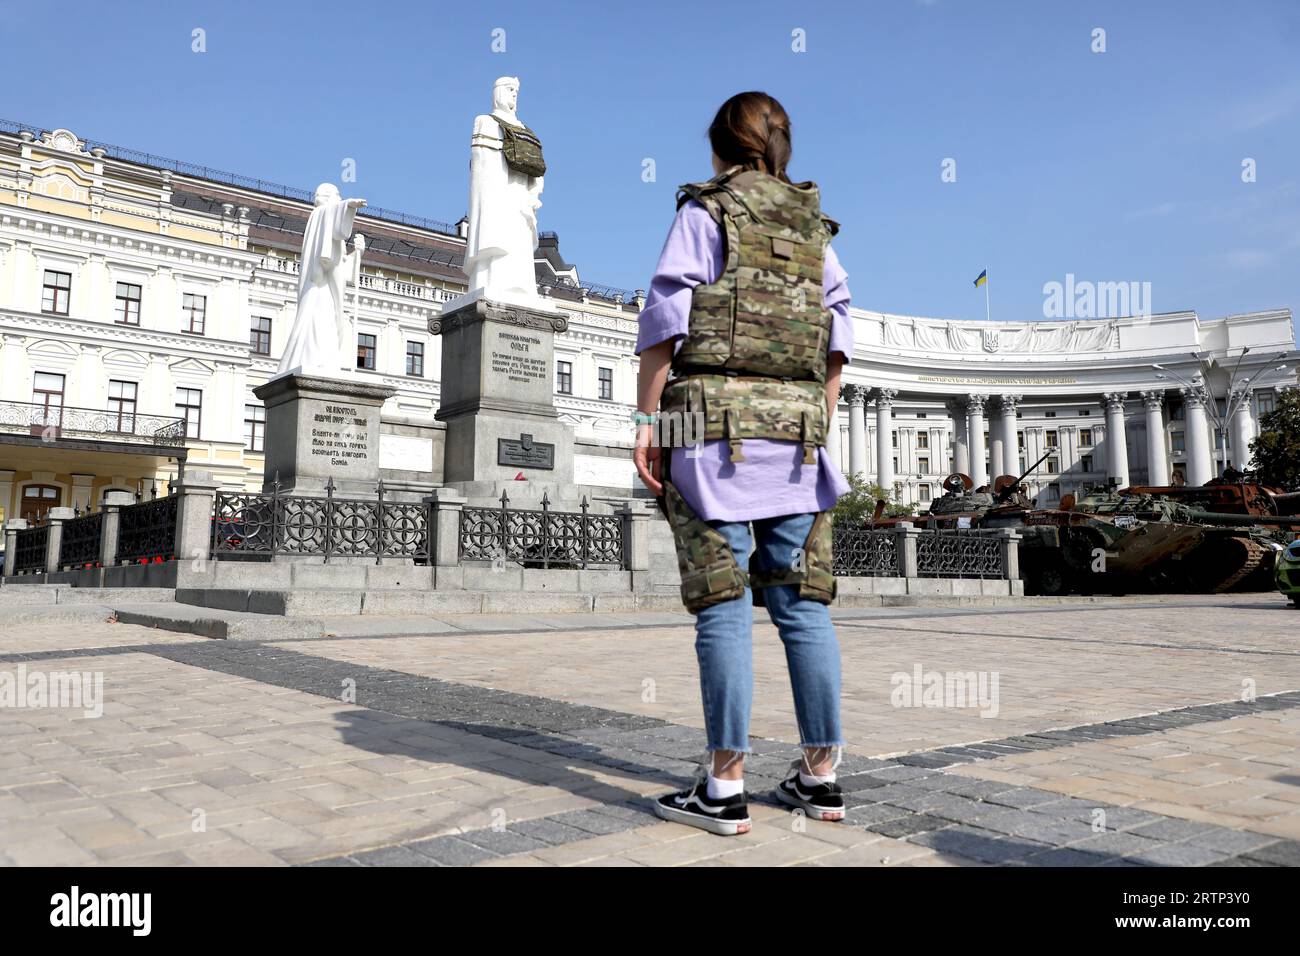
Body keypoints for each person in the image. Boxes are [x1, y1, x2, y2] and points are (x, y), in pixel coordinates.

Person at [633, 91, 853, 836]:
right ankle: (820, 778)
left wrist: (646, 423)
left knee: (723, 603)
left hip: (707, 423)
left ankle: (725, 787)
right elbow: (836, 340)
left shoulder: (707, 211)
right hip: (796, 431)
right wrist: (816, 418)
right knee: (803, 605)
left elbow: (666, 319)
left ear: (723, 146)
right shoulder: (816, 226)